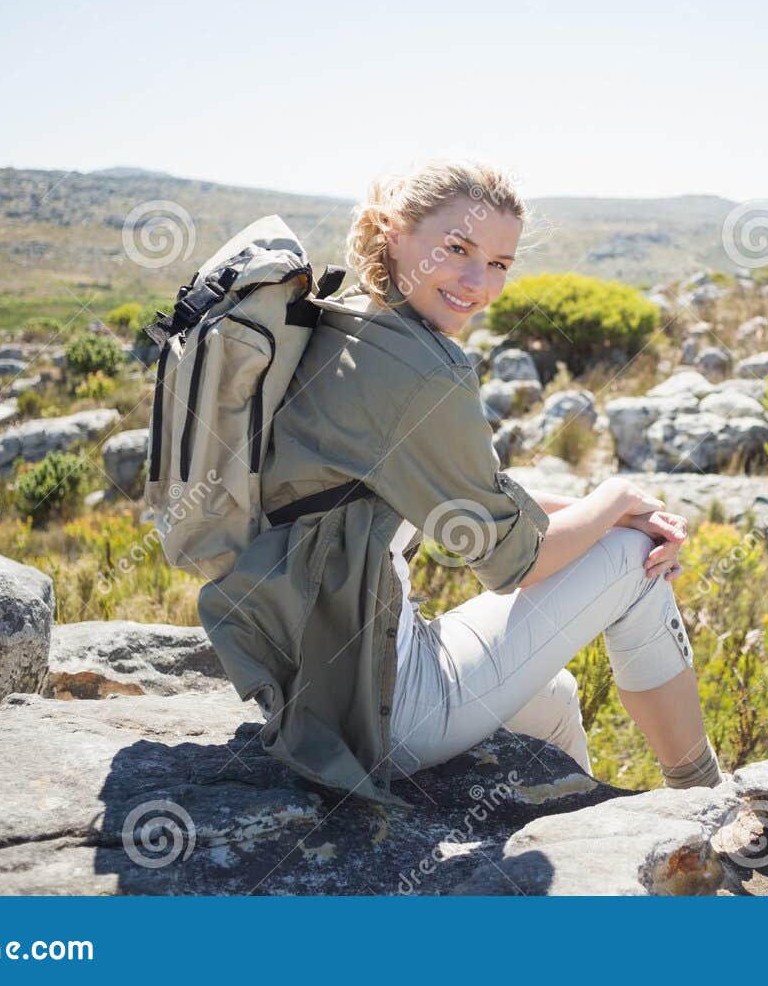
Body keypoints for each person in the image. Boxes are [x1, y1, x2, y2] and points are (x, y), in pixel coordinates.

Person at [197, 156, 722, 808]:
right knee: (636, 559)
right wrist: (616, 500)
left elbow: (472, 496)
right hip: (383, 707)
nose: (478, 282)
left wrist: (605, 508)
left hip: (316, 689)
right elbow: (513, 561)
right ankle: (704, 799)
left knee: (554, 701)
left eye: (501, 263)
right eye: (457, 248)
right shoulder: (423, 371)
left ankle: (577, 833)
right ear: (394, 233)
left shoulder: (347, 324)